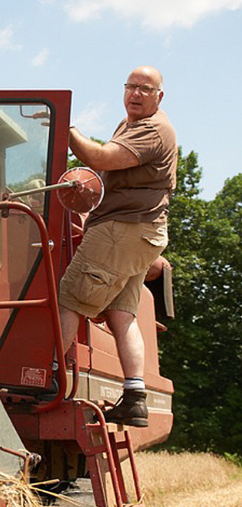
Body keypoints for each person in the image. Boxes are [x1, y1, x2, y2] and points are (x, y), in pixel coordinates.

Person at [58, 66, 177, 426]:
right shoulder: (131, 126)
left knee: (70, 298)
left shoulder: (153, 130)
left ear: (159, 95)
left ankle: (41, 380)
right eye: (131, 86)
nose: (136, 93)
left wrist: (65, 128)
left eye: (145, 88)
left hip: (122, 231)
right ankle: (135, 396)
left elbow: (100, 160)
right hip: (142, 235)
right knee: (122, 315)